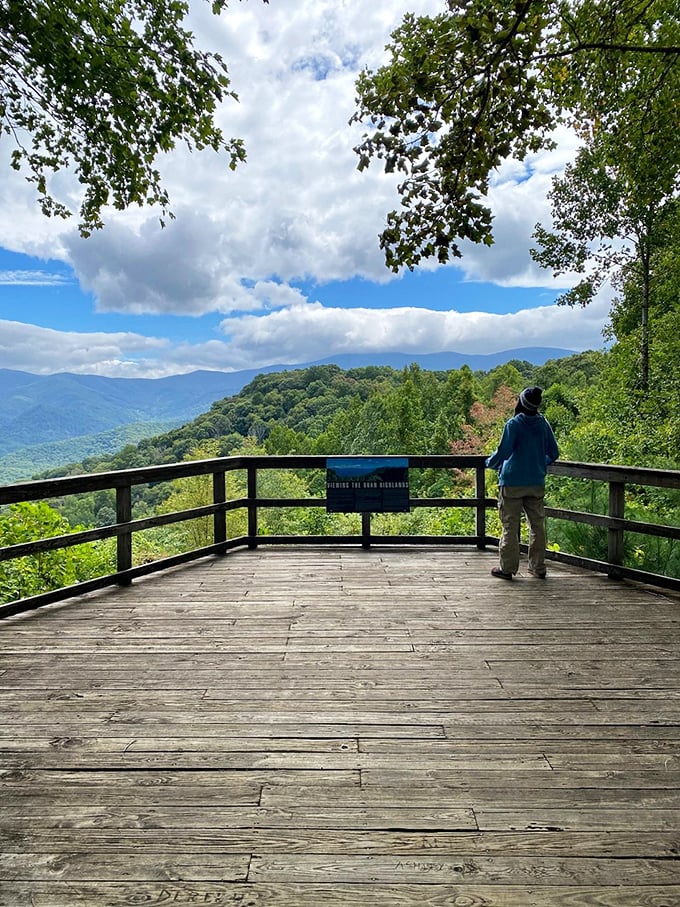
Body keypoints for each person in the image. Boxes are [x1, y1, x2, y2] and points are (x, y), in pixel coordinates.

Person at [485, 386, 559, 580]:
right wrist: (538, 464)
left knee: (510, 525)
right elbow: (554, 453)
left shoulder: (514, 424)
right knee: (537, 525)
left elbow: (503, 452)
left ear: (521, 403)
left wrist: (489, 463)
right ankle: (538, 567)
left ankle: (508, 569)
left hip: (512, 481)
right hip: (535, 481)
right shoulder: (543, 424)